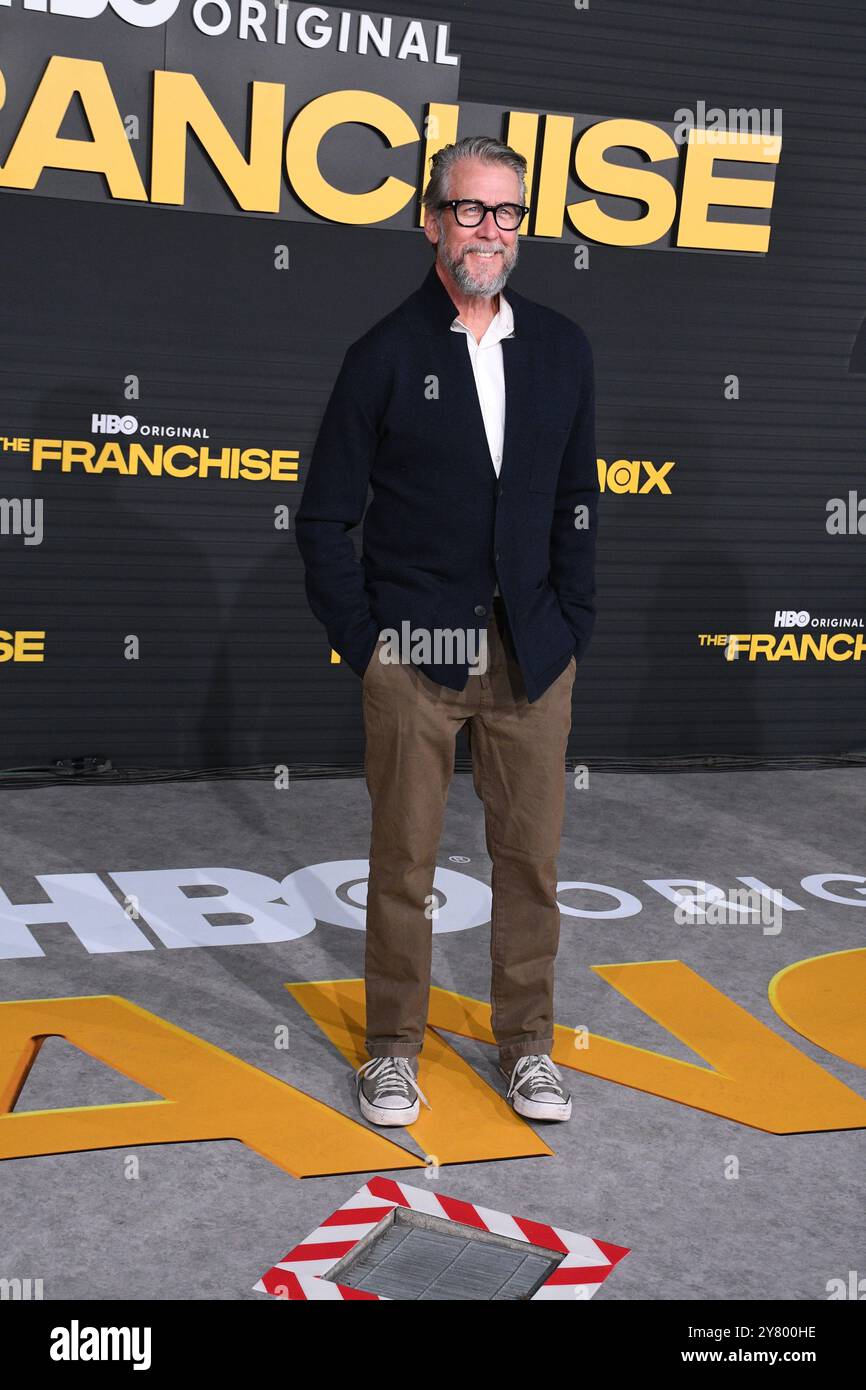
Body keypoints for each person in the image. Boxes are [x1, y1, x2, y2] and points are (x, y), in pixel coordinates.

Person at [294, 135, 599, 1128]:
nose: (488, 231)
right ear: (431, 221)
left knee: (531, 866)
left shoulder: (560, 347)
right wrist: (365, 644)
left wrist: (572, 622)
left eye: (505, 213)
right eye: (469, 211)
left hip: (533, 654)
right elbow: (323, 518)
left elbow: (574, 502)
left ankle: (527, 1047)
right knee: (404, 864)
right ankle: (390, 1050)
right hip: (416, 657)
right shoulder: (382, 355)